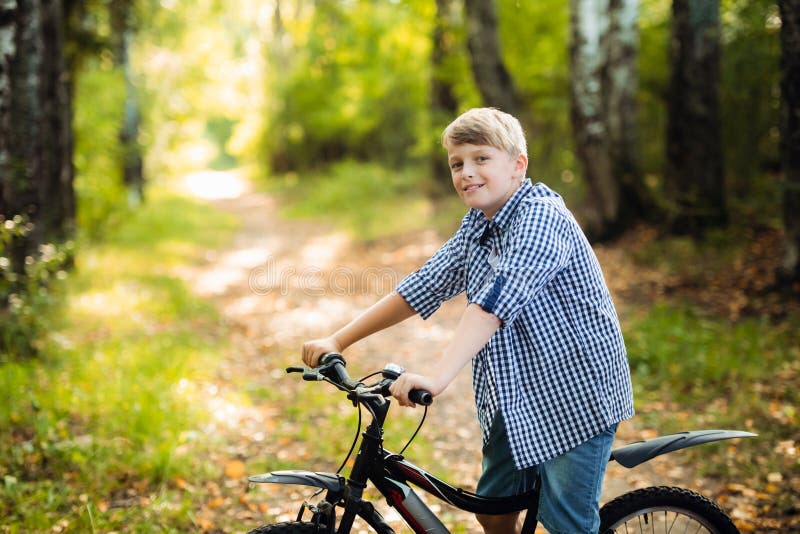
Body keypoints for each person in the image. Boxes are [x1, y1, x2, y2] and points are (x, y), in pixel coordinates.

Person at [302, 107, 634, 534]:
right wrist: (339, 339)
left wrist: (438, 377)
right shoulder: (479, 224)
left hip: (574, 395)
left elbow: (493, 304)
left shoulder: (542, 218)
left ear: (518, 166)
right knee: (492, 511)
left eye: (481, 158)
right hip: (514, 396)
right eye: (457, 164)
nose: (466, 172)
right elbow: (424, 284)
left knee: (566, 523)